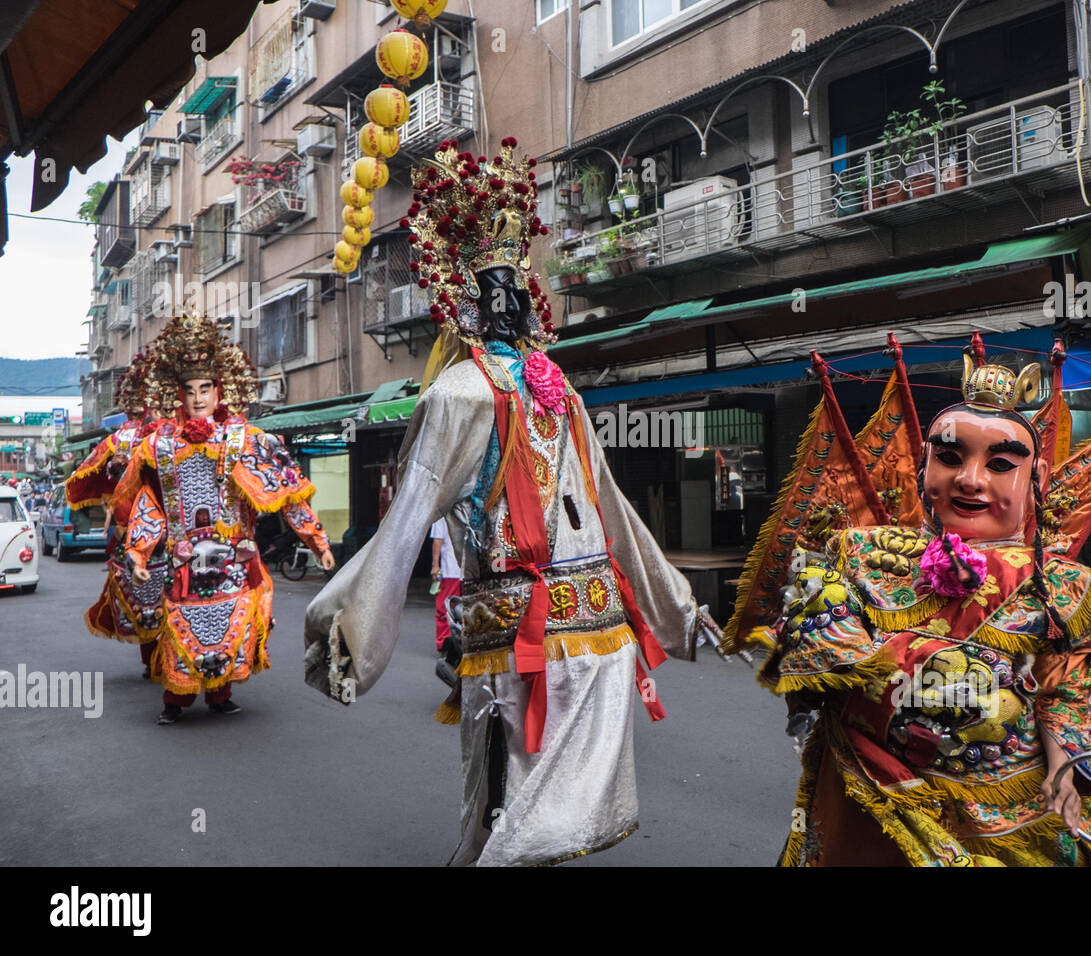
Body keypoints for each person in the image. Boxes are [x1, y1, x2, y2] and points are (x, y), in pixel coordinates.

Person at [305, 137, 715, 867]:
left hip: (598, 636)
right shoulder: (459, 394)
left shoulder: (561, 387)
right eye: (490, 291)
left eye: (514, 287)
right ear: (464, 305)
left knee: (558, 820)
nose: (507, 304)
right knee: (509, 813)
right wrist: (350, 633)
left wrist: (676, 606)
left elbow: (610, 507)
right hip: (519, 640)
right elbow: (408, 519)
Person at [749, 352, 1091, 866]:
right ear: (922, 466)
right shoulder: (860, 557)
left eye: (1001, 464)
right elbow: (810, 662)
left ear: (1038, 478)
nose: (971, 479)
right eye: (950, 458)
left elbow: (1071, 692)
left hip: (1002, 813)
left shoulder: (1068, 591)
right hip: (869, 800)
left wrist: (1062, 773)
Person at [113, 314, 334, 724]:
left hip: (232, 556)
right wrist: (139, 553)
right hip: (183, 561)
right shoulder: (159, 446)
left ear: (220, 390)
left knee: (231, 619)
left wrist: (317, 541)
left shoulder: (244, 439)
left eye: (206, 388)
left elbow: (286, 491)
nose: (198, 398)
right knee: (181, 625)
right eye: (190, 390)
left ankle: (219, 694)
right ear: (178, 394)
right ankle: (174, 701)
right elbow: (148, 506)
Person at [68, 347, 167, 677]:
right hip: (139, 529)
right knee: (145, 603)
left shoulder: (188, 434)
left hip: (184, 527)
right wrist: (117, 469)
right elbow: (94, 468)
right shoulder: (125, 437)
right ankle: (154, 658)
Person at [428, 516, 461, 653]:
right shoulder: (442, 514)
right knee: (445, 608)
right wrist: (435, 566)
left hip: (466, 569)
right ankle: (444, 643)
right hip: (450, 570)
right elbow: (438, 540)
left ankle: (460, 643)